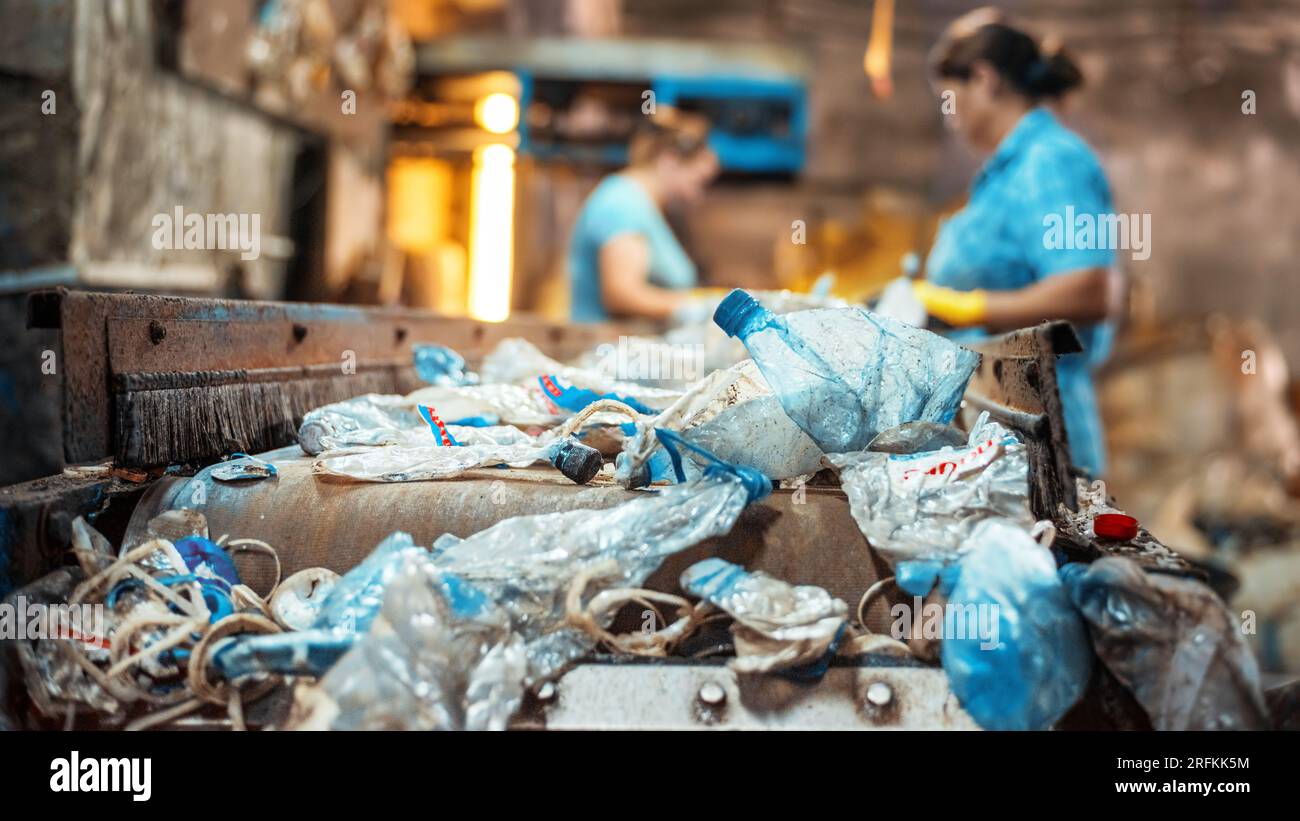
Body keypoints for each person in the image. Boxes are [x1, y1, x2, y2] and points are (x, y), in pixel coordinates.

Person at [914, 11, 1125, 477]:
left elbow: (1091, 290)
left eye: (948, 98)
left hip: (1044, 435)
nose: (948, 116)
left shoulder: (1051, 161)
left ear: (985, 80)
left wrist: (969, 307)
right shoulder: (1005, 173)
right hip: (1005, 425)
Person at [568, 108, 719, 323]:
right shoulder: (622, 204)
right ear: (670, 161)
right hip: (605, 349)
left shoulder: (646, 209)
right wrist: (693, 307)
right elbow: (621, 293)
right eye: (699, 182)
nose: (699, 196)